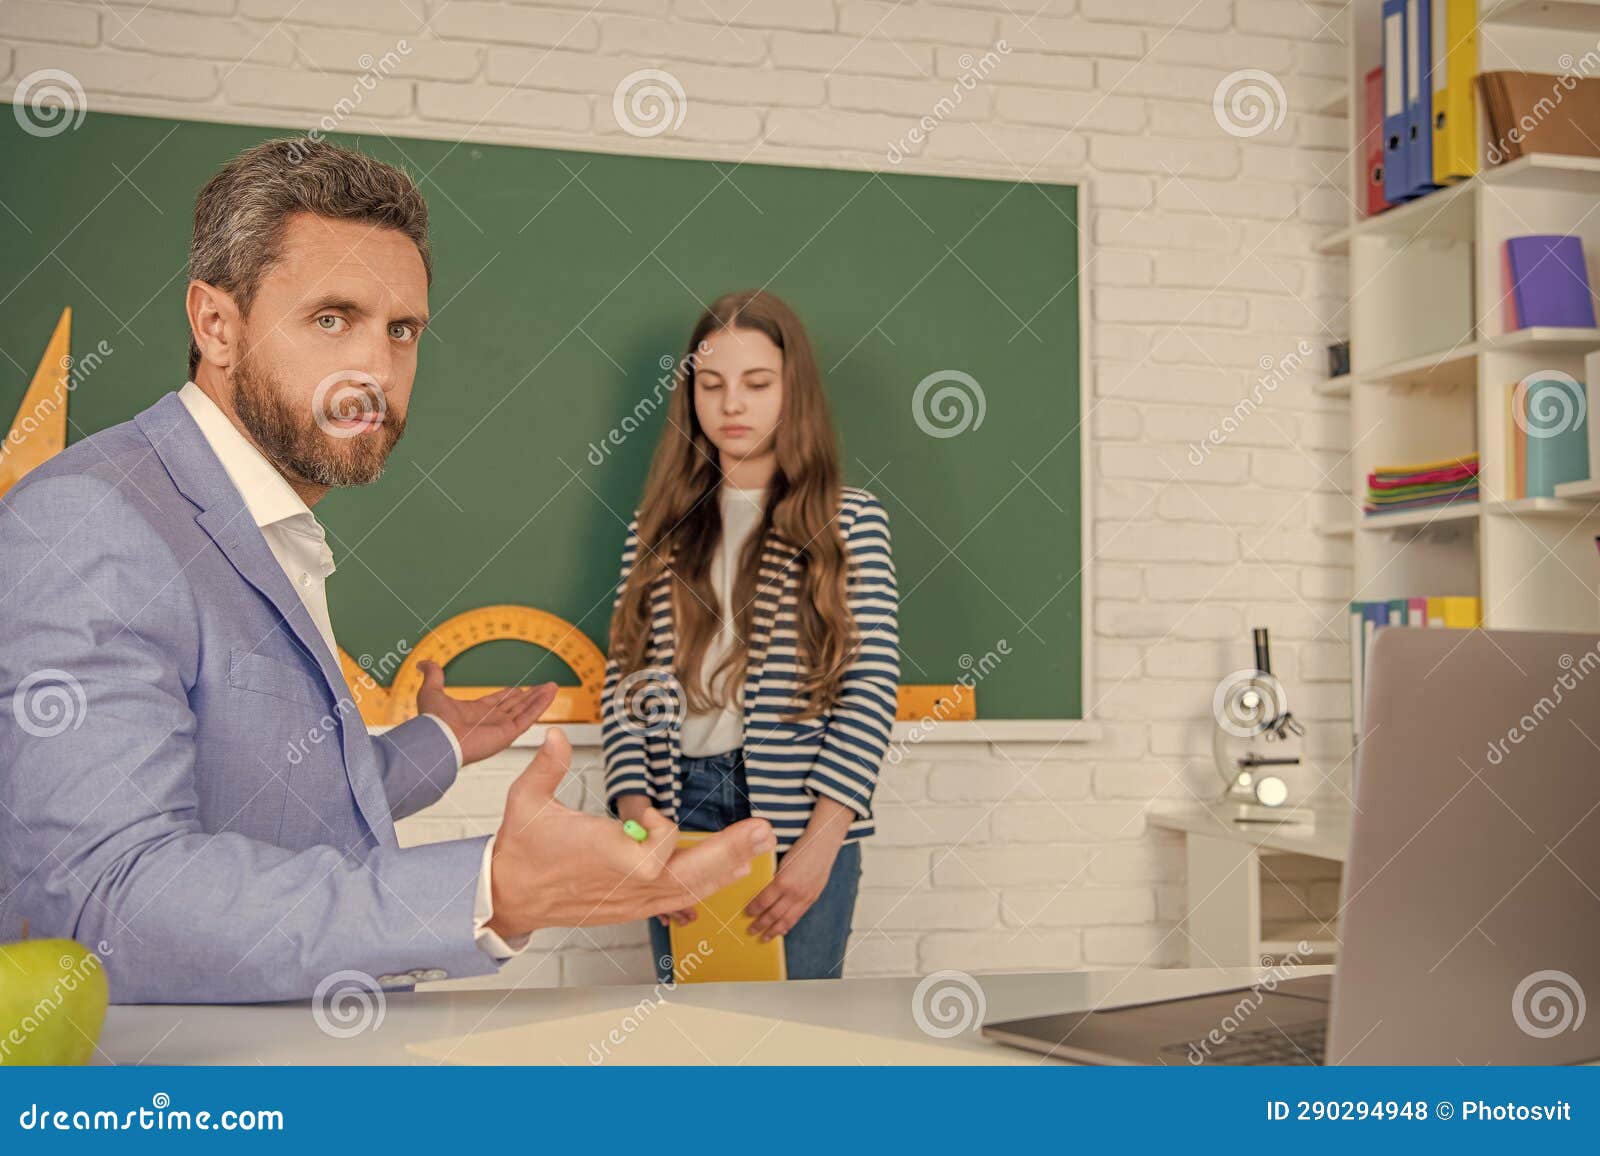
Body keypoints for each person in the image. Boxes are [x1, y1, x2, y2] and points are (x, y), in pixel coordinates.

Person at [0, 138, 771, 1004]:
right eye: (332, 318)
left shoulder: (261, 517)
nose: (375, 368)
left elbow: (265, 791)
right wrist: (487, 889)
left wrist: (436, 745)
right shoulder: (94, 521)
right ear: (216, 325)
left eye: (401, 330)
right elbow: (104, 901)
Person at [602, 290, 900, 982]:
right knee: (696, 1038)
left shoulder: (849, 520)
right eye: (712, 385)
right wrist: (639, 817)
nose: (732, 404)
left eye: (757, 384)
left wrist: (821, 845)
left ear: (793, 392)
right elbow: (623, 684)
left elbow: (869, 689)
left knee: (789, 1045)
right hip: (680, 807)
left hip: (801, 812)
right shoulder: (654, 533)